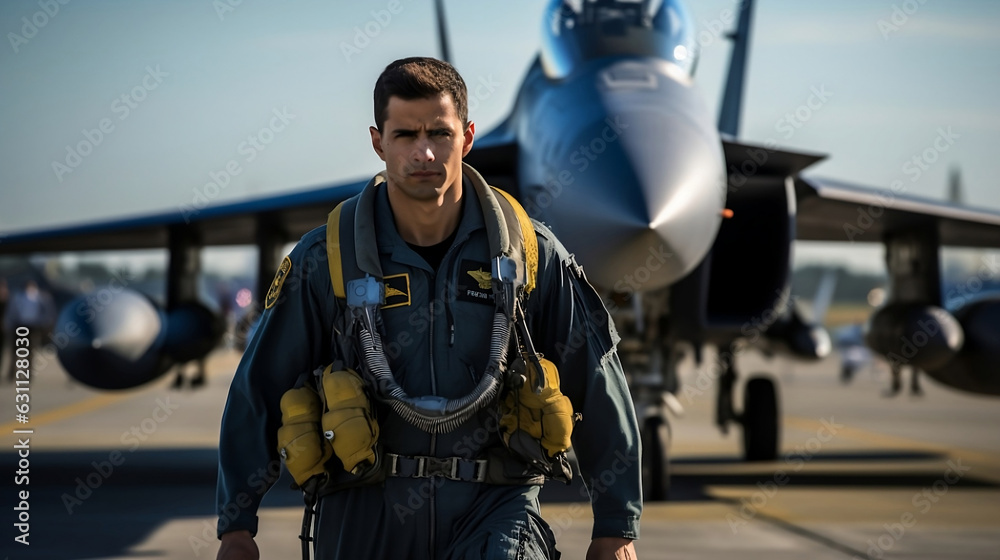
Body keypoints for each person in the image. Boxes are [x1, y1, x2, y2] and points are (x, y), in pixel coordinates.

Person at [216, 57, 641, 559]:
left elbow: (595, 378)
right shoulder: (326, 259)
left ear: (467, 137)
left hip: (495, 509)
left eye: (440, 133)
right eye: (404, 135)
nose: (424, 152)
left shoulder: (530, 254)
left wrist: (616, 528)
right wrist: (236, 527)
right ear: (378, 141)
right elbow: (259, 388)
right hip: (365, 507)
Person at [3, 279, 57, 381]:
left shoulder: (41, 298)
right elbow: (11, 312)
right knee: (15, 352)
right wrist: (8, 324)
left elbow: (48, 312)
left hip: (33, 327)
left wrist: (45, 324)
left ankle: (28, 374)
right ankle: (12, 374)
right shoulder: (18, 298)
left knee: (30, 352)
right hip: (19, 326)